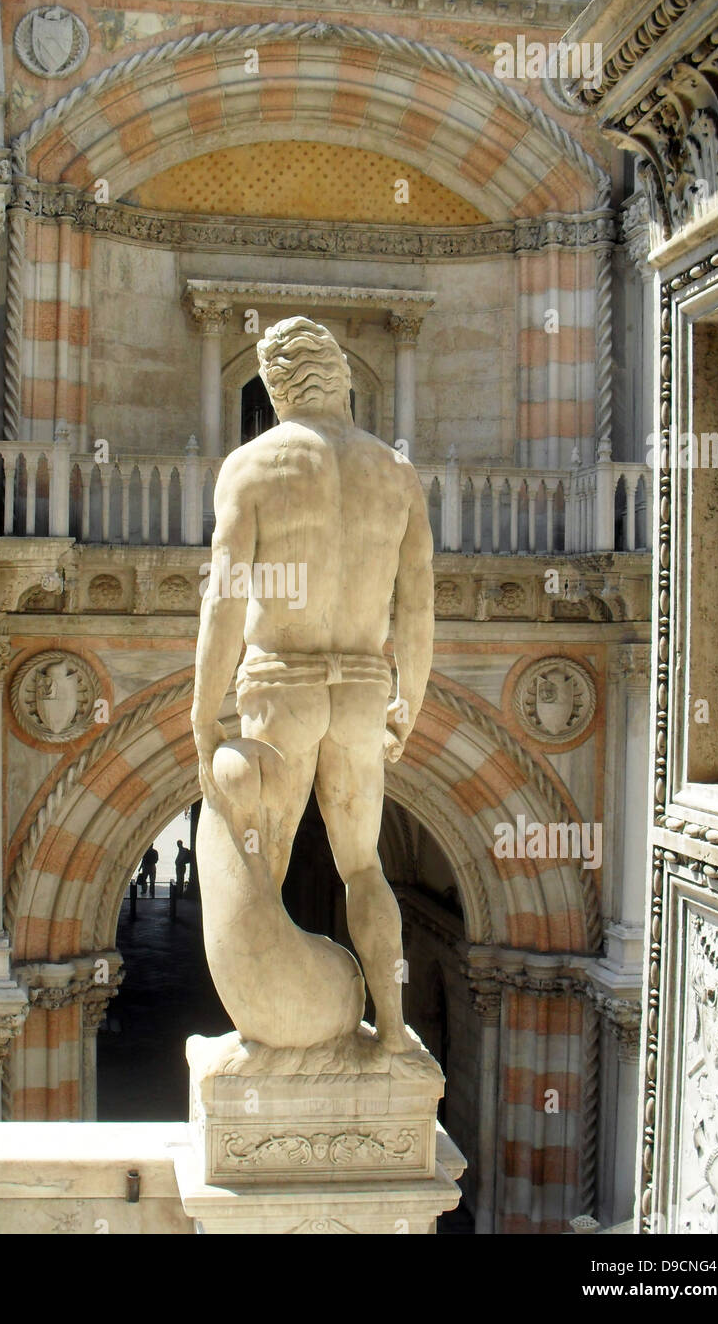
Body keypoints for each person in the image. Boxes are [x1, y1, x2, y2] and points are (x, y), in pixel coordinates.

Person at [191, 316, 433, 1052]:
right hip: (362, 685)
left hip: (280, 685)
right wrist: (410, 698)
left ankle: (266, 1036)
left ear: (274, 388)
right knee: (364, 867)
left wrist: (203, 709)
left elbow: (225, 600)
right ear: (344, 381)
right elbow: (418, 603)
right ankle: (394, 1032)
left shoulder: (252, 467)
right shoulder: (396, 474)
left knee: (262, 864)